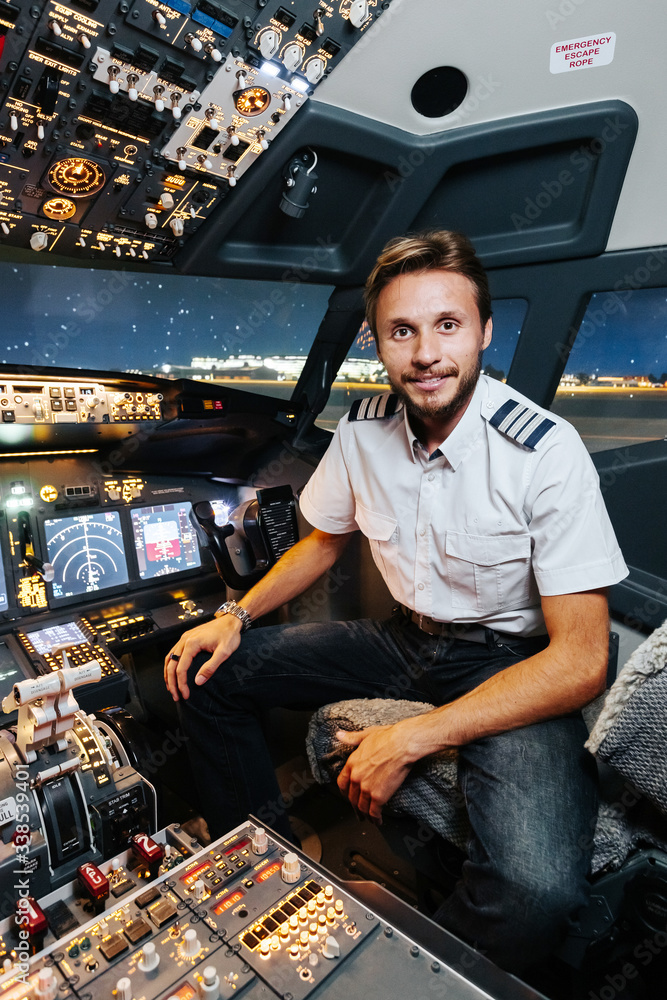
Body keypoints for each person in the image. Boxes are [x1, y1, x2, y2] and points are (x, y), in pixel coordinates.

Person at [164, 230, 628, 972]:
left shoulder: (545, 453)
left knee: (534, 891)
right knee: (207, 673)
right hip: (403, 642)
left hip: (508, 664)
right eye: (400, 331)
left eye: (446, 325)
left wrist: (412, 737)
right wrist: (233, 616)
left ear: (482, 330)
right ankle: (258, 870)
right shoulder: (363, 427)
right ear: (377, 343)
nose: (425, 354)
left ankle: (399, 979)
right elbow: (319, 543)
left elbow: (580, 662)